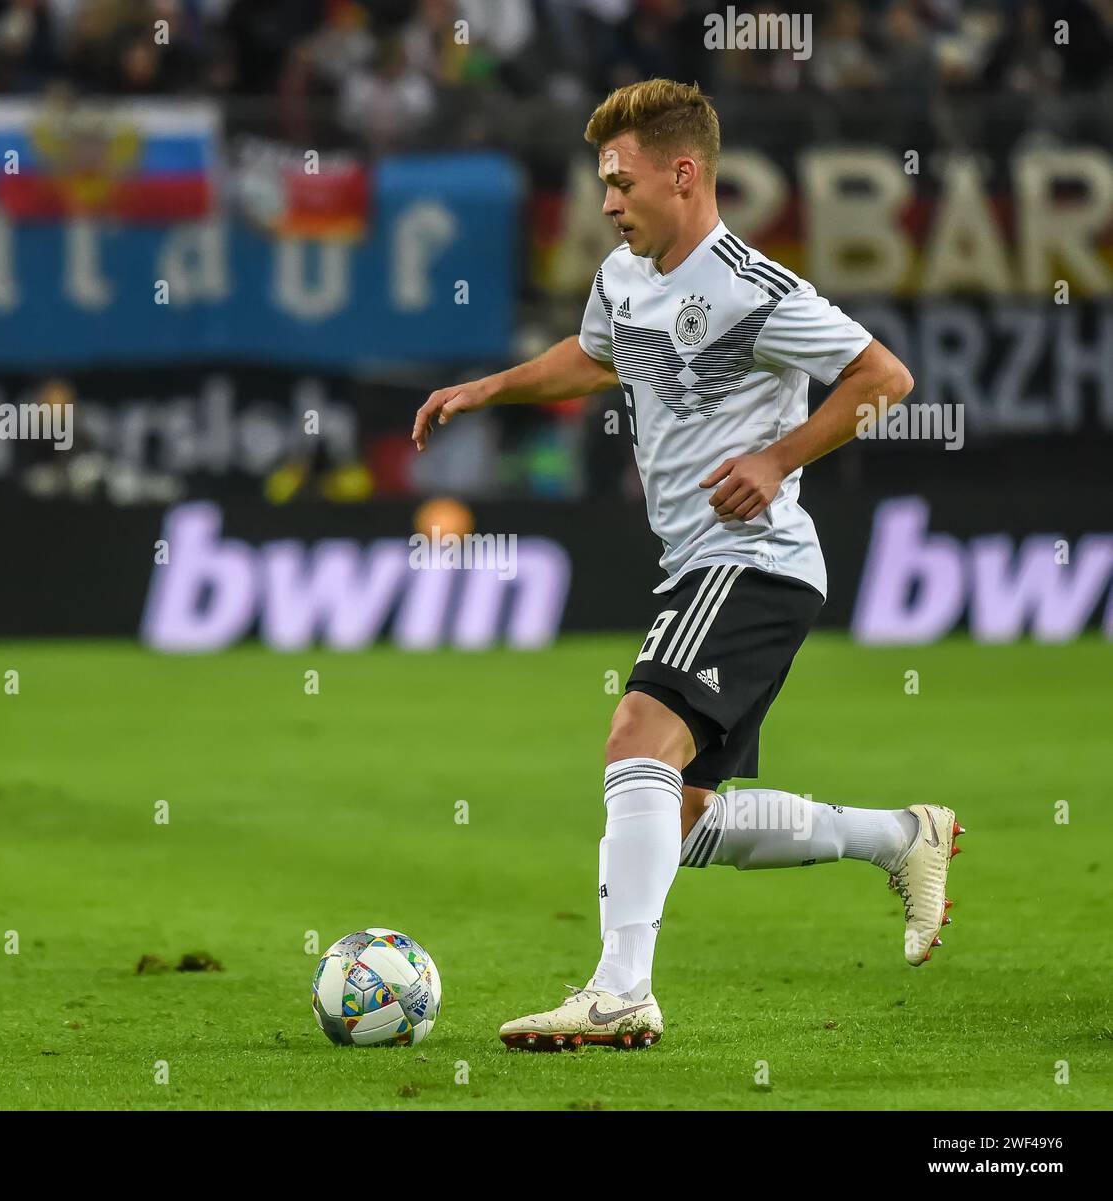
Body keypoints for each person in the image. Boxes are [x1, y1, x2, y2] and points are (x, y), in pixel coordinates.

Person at [410, 79, 964, 1052]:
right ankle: (899, 835)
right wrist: (490, 386)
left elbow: (886, 378)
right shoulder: (625, 276)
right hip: (697, 564)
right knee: (685, 814)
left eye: (620, 183)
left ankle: (619, 990)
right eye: (601, 185)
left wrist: (776, 456)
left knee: (635, 739)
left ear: (684, 171)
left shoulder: (750, 286)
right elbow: (595, 358)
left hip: (751, 558)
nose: (608, 202)